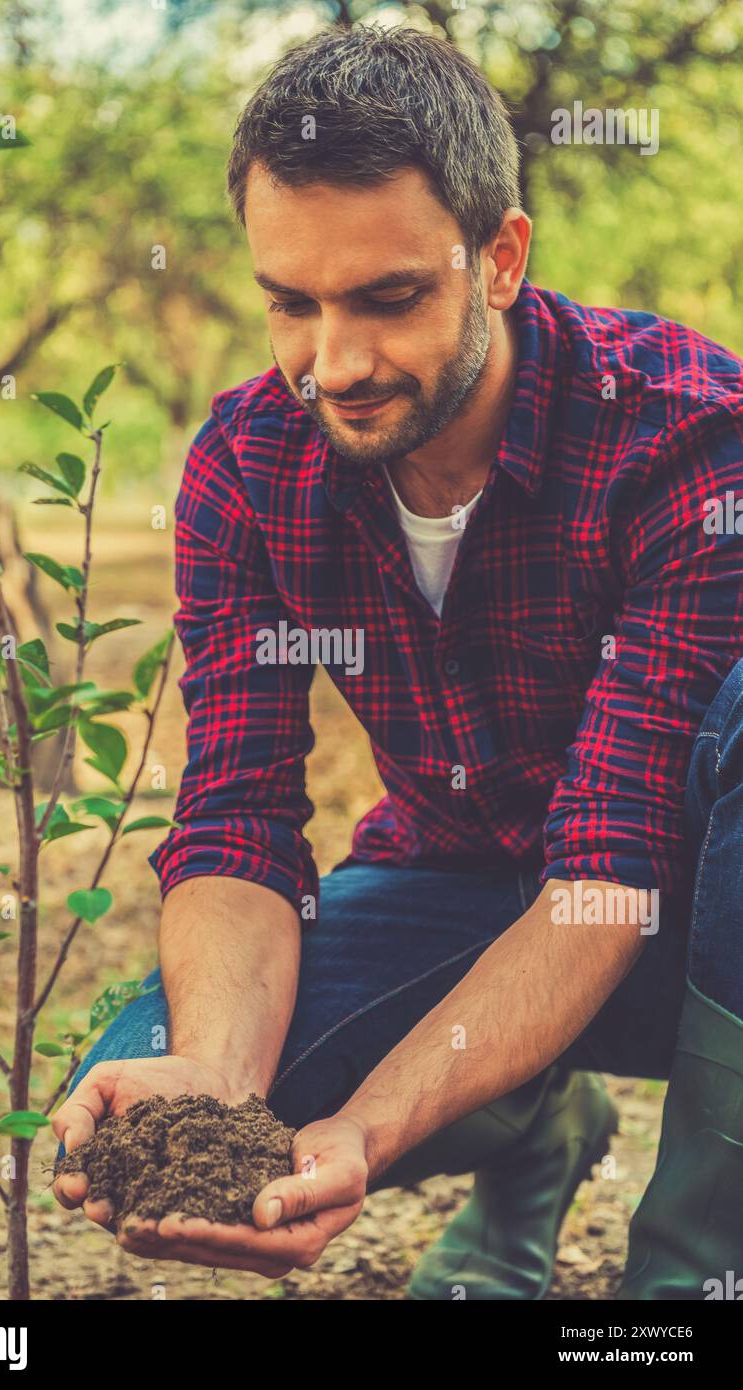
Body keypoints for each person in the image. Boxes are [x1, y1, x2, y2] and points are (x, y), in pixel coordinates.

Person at [53, 24, 743, 1299]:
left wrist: (366, 1132)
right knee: (144, 1099)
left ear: (501, 258)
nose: (338, 363)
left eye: (388, 297)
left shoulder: (690, 436)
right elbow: (238, 814)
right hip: (457, 877)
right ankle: (538, 1131)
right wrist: (221, 1079)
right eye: (292, 303)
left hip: (695, 920)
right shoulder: (246, 466)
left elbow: (609, 863)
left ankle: (696, 1263)